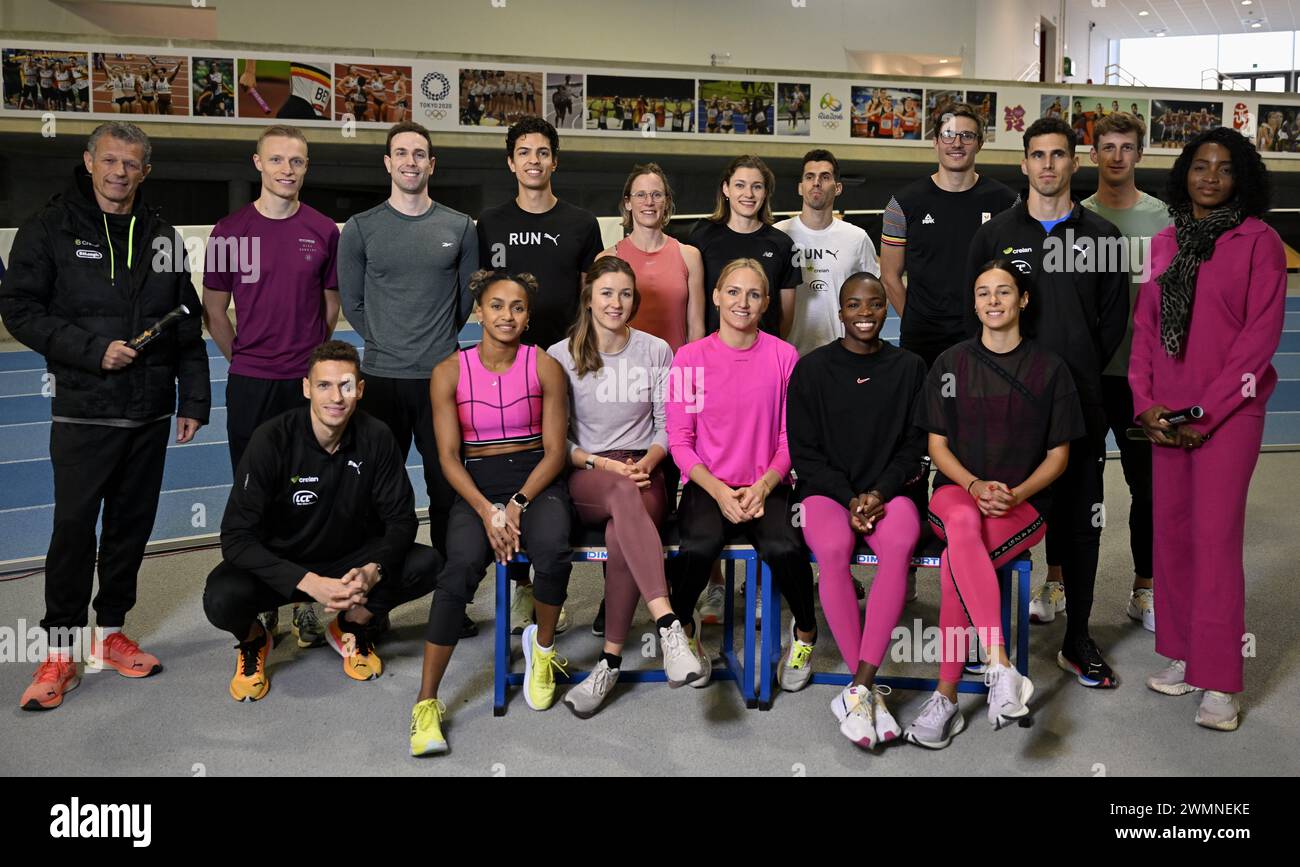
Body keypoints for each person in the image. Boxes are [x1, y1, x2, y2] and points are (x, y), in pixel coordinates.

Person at [1, 122, 210, 710]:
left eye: (132, 163)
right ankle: (60, 650)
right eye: (110, 160)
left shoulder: (163, 234)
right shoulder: (50, 227)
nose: (120, 172)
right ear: (89, 161)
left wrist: (193, 399)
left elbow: (186, 322)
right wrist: (91, 350)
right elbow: (18, 308)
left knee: (129, 530)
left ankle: (111, 631)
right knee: (72, 531)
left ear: (146, 171)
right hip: (84, 412)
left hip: (148, 412)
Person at [1131, 128, 1286, 732]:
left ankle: (1220, 680)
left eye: (1224, 168)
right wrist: (1147, 405)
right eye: (1200, 167)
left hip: (1228, 416)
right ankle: (1183, 652)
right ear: (1184, 175)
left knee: (1215, 543)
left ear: (1240, 177)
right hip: (1166, 419)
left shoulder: (1260, 242)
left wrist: (1203, 414)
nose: (1211, 177)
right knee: (1171, 536)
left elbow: (1257, 341)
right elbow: (1146, 330)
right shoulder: (1166, 242)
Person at [966, 116, 1128, 689]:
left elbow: (1111, 325)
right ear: (1024, 163)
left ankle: (1077, 638)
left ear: (1074, 163)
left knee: (1081, 527)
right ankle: (988, 639)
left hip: (1078, 408)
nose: (1049, 165)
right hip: (1007, 414)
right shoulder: (994, 236)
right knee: (997, 517)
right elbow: (982, 315)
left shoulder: (1103, 237)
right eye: (1038, 155)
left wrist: (1069, 375)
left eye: (1059, 155)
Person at [906, 260, 1085, 748]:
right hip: (956, 492)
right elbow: (937, 446)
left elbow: (1059, 455)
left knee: (953, 564)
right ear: (974, 303)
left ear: (1023, 300)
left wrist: (1015, 492)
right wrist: (975, 485)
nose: (993, 301)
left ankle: (946, 698)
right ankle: (1000, 665)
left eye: (1003, 292)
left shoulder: (1049, 369)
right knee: (962, 527)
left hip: (1021, 503)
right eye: (983, 293)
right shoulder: (950, 364)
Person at [204, 341, 442, 701]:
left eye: (346, 385)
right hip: (284, 563)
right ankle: (254, 640)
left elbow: (401, 521)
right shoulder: (271, 440)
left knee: (428, 564)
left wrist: (372, 571)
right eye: (324, 385)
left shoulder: (377, 436)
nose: (336, 397)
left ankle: (351, 624)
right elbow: (236, 537)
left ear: (360, 390)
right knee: (221, 597)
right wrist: (308, 583)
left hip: (349, 563)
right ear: (306, 388)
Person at [411, 271, 573, 755]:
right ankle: (425, 703)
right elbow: (445, 458)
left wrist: (518, 503)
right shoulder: (448, 372)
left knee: (553, 549)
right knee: (458, 568)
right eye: (497, 306)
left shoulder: (544, 366)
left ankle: (541, 652)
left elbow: (555, 451)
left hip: (535, 478)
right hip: (476, 483)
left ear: (528, 316)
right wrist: (487, 511)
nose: (508, 315)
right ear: (478, 312)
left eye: (518, 307)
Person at [548, 258, 707, 716]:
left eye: (624, 294)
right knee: (619, 496)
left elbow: (668, 425)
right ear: (589, 298)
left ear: (634, 300)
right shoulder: (559, 356)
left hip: (644, 470)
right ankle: (670, 624)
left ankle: (608, 664)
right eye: (606, 293)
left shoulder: (658, 350)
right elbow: (562, 442)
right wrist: (604, 465)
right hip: (589, 475)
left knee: (623, 535)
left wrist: (648, 461)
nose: (616, 303)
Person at [203, 124, 340, 648]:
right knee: (255, 491)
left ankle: (306, 601)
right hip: (251, 384)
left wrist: (306, 365)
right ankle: (264, 600)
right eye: (277, 159)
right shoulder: (229, 232)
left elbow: (330, 308)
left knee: (310, 491)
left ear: (306, 167)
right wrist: (246, 360)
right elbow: (215, 312)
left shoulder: (325, 230)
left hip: (306, 387)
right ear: (257, 163)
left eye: (297, 161)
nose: (287, 169)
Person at [1036, 112, 1169, 633]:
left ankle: (1145, 589)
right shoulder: (1074, 217)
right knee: (1069, 485)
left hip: (1143, 380)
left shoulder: (1163, 220)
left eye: (1126, 147)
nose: (1116, 156)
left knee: (1148, 486)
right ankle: (1056, 581)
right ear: (1092, 156)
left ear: (1139, 154)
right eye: (1107, 147)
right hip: (1085, 378)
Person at [787, 273, 926, 748]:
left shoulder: (910, 367)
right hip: (829, 493)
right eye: (854, 305)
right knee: (831, 549)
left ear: (886, 308)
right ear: (840, 311)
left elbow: (914, 448)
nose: (865, 313)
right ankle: (863, 690)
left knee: (900, 545)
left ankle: (860, 688)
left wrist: (879, 493)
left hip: (891, 493)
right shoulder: (812, 369)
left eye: (874, 304)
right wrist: (849, 497)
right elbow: (805, 455)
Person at [665, 259, 819, 691]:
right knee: (696, 546)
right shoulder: (688, 358)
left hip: (766, 484)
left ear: (767, 303)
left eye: (753, 294)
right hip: (707, 484)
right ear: (715, 296)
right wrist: (716, 490)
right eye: (733, 291)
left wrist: (765, 484)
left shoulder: (784, 356)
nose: (742, 302)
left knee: (784, 546)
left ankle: (805, 634)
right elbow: (679, 440)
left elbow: (792, 437)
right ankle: (686, 633)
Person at [476, 117, 601, 633]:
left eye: (542, 152)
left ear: (554, 160)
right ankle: (522, 587)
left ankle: (557, 572)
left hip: (565, 366)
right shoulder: (488, 224)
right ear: (511, 162)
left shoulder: (581, 222)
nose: (533, 160)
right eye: (523, 152)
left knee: (564, 468)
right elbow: (484, 296)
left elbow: (591, 296)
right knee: (514, 469)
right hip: (508, 369)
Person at [338, 121, 476, 563]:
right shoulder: (361, 229)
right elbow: (353, 303)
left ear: (431, 164)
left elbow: (465, 299)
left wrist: (435, 342)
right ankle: (377, 596)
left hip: (441, 378)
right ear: (387, 162)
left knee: (446, 488)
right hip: (380, 379)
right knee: (380, 489)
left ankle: (450, 591)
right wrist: (387, 341)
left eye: (419, 154)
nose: (410, 162)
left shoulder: (459, 227)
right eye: (401, 153)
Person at [881, 103, 1017, 369]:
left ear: (980, 143)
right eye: (948, 135)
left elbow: (1018, 274)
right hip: (922, 340)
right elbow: (889, 276)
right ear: (935, 142)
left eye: (967, 136)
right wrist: (915, 320)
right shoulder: (902, 204)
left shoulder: (1008, 203)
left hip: (986, 334)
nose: (957, 143)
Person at [776, 149, 879, 356]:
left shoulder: (857, 238)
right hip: (788, 355)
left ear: (838, 187)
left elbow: (875, 297)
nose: (816, 182)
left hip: (841, 356)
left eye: (825, 177)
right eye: (809, 177)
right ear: (800, 187)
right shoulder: (778, 235)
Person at [688, 155, 800, 339]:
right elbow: (693, 309)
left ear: (765, 193)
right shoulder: (701, 237)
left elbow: (785, 318)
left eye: (757, 186)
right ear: (726, 189)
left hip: (762, 354)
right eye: (740, 185)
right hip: (713, 352)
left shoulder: (783, 244)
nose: (749, 194)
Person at [600, 162, 705, 353]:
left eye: (656, 195)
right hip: (625, 372)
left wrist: (687, 376)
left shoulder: (689, 256)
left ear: (666, 202)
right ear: (628, 203)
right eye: (640, 195)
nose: (649, 202)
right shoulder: (607, 258)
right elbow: (600, 328)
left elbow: (696, 329)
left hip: (674, 370)